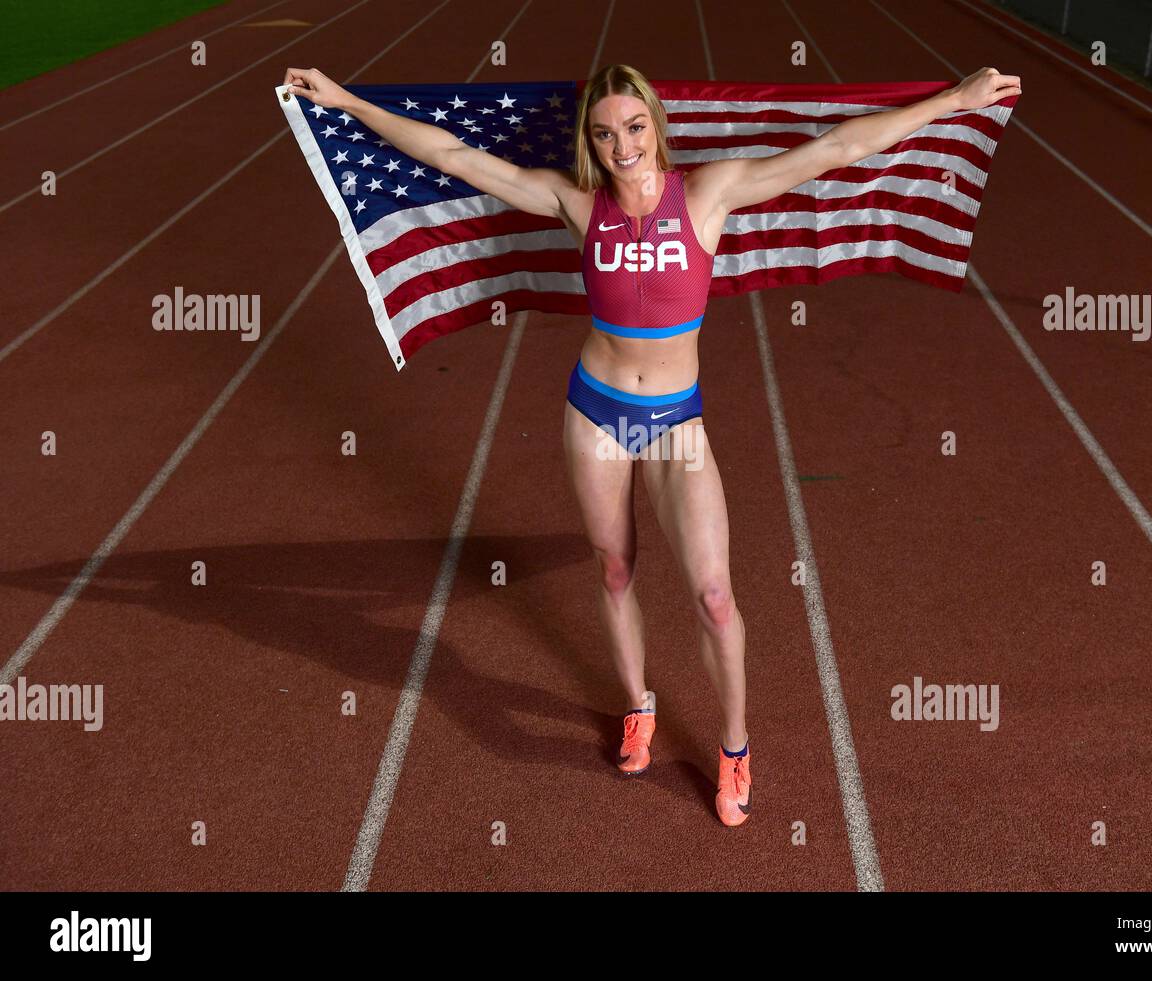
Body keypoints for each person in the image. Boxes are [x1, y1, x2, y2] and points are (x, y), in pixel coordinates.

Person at [282, 62, 1021, 827]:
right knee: (614, 566)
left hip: (674, 419)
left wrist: (955, 101)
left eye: (633, 127)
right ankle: (638, 704)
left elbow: (834, 150)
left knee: (713, 593)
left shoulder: (708, 193)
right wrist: (344, 100)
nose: (621, 145)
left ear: (656, 126)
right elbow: (454, 159)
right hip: (596, 411)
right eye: (604, 133)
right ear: (590, 141)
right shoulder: (576, 202)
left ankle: (734, 745)